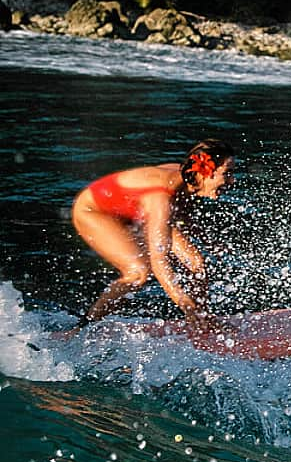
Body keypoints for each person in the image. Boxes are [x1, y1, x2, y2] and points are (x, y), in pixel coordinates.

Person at [67, 139, 235, 336]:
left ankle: (203, 320)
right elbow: (159, 259)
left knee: (195, 262)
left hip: (138, 211)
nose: (232, 181)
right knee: (138, 273)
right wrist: (184, 303)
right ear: (205, 173)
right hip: (95, 211)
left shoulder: (187, 180)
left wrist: (209, 241)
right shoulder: (161, 198)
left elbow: (182, 211)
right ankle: (83, 328)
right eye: (227, 174)